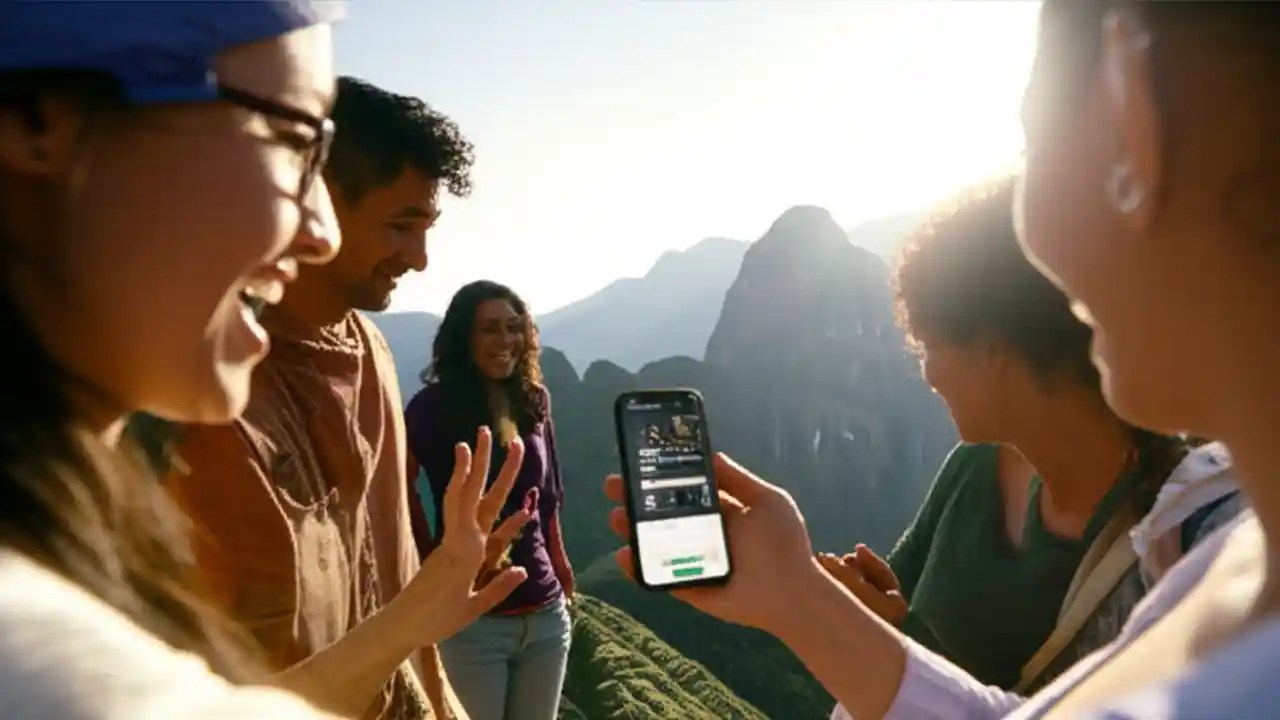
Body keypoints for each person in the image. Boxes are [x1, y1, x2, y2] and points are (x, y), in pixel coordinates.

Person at [603, 2, 1280, 718]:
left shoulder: (1194, 537)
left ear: (1130, 107)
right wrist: (795, 596)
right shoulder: (1218, 552)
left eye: (1030, 145)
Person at [0, 3, 526, 718]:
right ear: (37, 121)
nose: (317, 233)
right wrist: (420, 613)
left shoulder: (364, 353)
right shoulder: (49, 670)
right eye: (289, 142)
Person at [813, 177, 1241, 692]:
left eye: (929, 346)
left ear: (994, 349)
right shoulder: (971, 470)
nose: (926, 375)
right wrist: (864, 617)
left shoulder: (1179, 534)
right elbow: (897, 621)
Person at [165, 77, 490, 720]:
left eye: (427, 228)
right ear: (313, 200)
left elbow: (398, 588)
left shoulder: (372, 350)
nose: (421, 259)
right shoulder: (205, 381)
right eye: (400, 227)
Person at [405, 280, 575, 720]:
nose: (505, 341)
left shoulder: (534, 401)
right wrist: (429, 562)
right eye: (490, 329)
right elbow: (395, 489)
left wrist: (562, 567)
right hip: (472, 623)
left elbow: (549, 497)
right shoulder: (431, 408)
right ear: (465, 338)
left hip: (544, 616)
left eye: (514, 327)